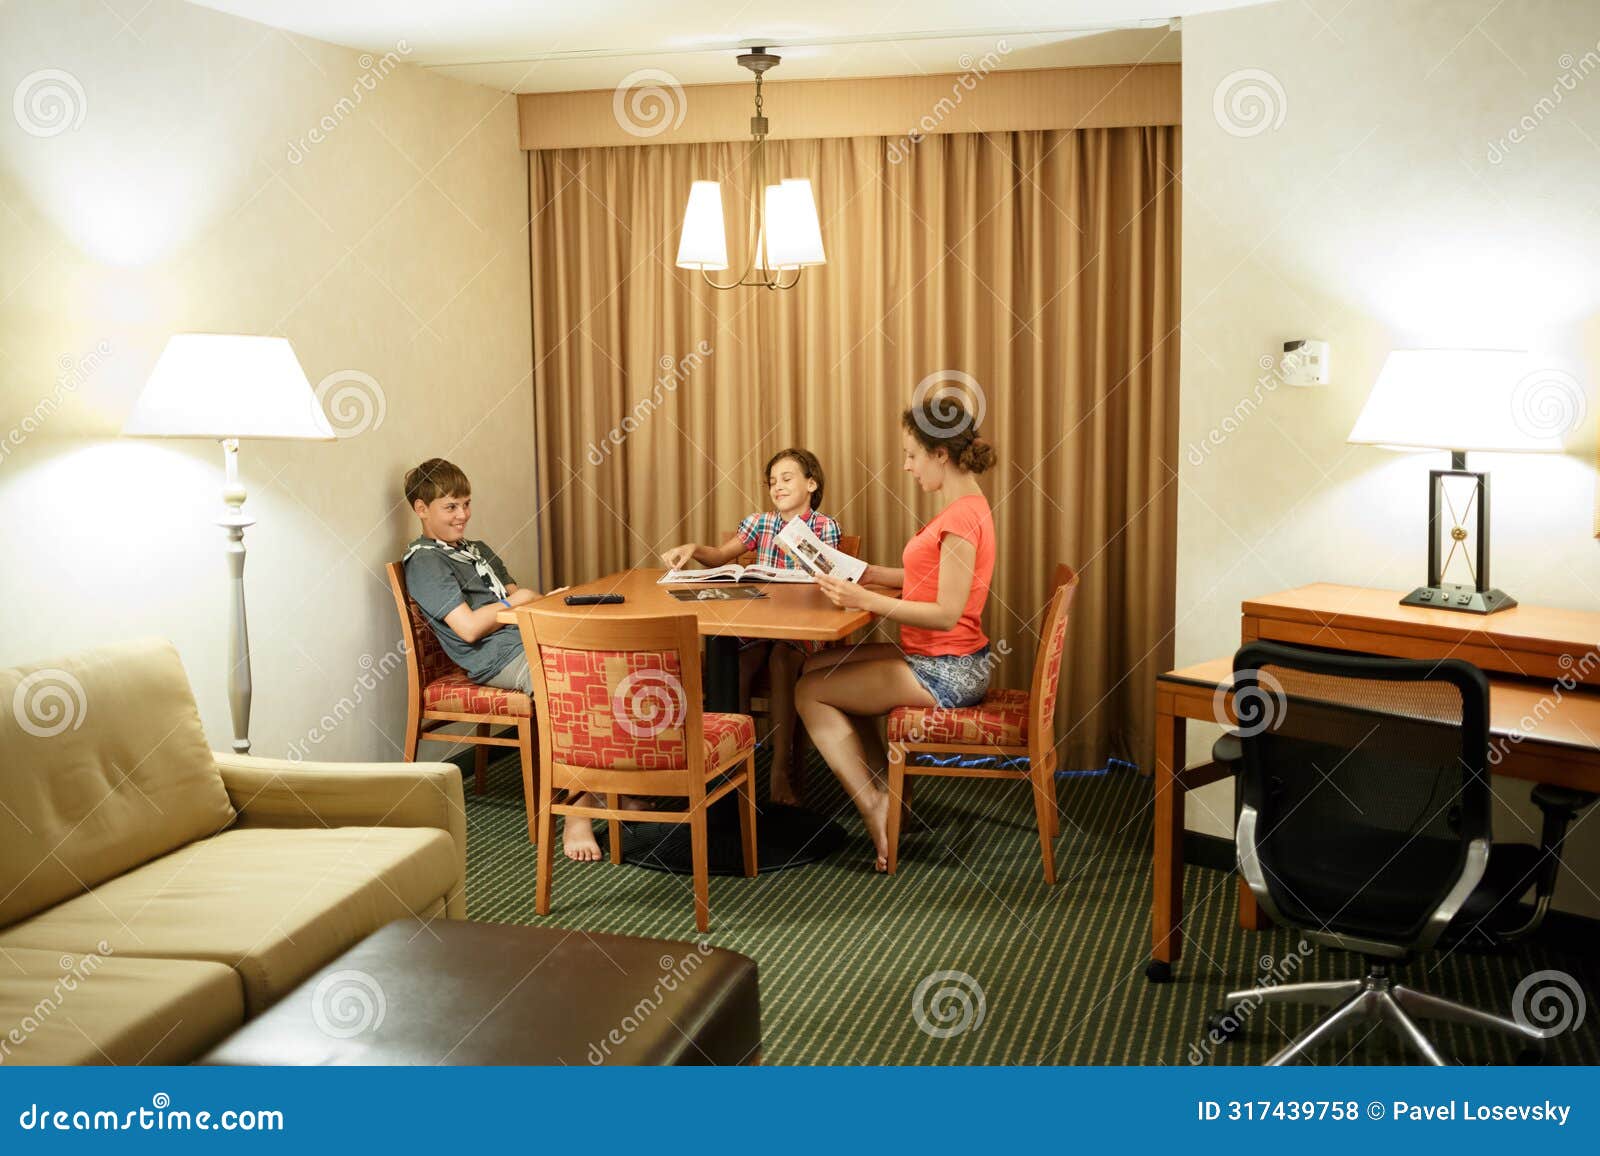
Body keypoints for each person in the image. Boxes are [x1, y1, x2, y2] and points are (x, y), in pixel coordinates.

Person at [794, 402, 997, 871]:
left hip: (948, 671)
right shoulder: (966, 507)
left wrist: (866, 600)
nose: (906, 465)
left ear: (940, 454)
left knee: (809, 691)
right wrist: (863, 573)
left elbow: (946, 613)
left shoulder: (961, 519)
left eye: (911, 454)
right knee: (815, 665)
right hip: (946, 660)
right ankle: (891, 792)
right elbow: (927, 578)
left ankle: (875, 805)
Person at [402, 458, 630, 863]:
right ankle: (578, 808)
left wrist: (545, 600)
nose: (462, 515)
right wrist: (517, 601)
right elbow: (469, 628)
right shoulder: (425, 562)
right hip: (494, 657)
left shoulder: (477, 550)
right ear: (421, 509)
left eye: (466, 504)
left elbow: (519, 598)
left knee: (616, 662)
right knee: (575, 682)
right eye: (450, 507)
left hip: (527, 636)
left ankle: (620, 787)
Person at [661, 448, 841, 805]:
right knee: (736, 664)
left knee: (781, 660)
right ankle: (734, 766)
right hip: (758, 628)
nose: (777, 487)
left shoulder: (825, 526)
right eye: (772, 482)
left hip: (800, 630)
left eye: (786, 479)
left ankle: (780, 769)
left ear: (811, 484)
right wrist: (694, 548)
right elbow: (720, 555)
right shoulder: (760, 523)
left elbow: (829, 576)